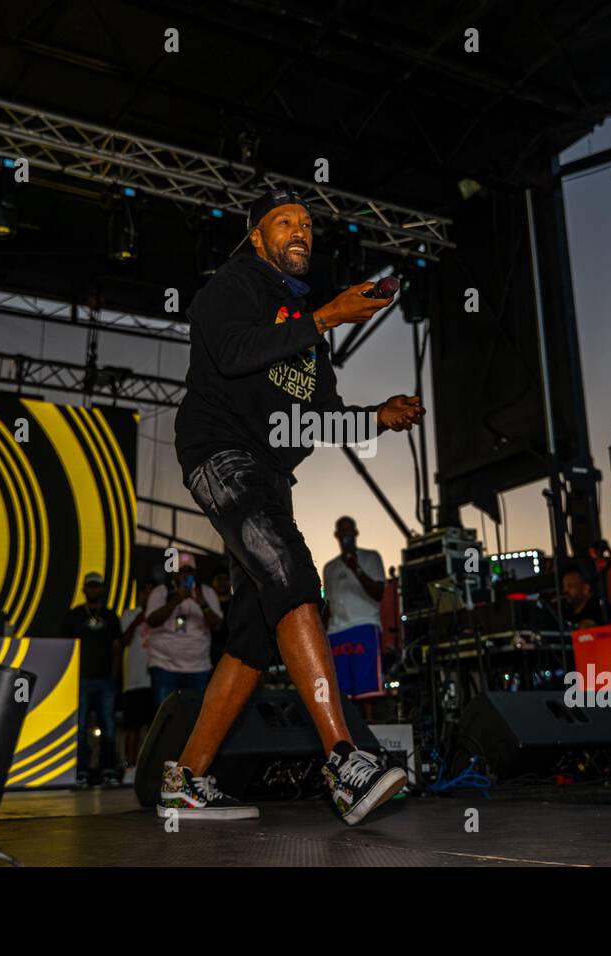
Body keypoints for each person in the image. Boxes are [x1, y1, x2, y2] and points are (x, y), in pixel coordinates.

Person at [165, 186, 423, 824]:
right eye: (285, 222)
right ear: (258, 237)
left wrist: (378, 418)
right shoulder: (232, 286)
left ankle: (186, 779)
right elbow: (231, 354)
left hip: (271, 475)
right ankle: (343, 759)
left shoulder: (311, 332)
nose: (300, 230)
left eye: (307, 222)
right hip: (221, 454)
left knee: (254, 635)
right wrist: (331, 315)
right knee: (292, 573)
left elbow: (321, 422)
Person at [62, 572, 123, 786]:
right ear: (84, 589)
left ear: (102, 589)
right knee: (79, 729)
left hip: (105, 679)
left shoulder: (110, 615)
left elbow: (117, 647)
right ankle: (81, 771)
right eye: (91, 586)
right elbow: (67, 648)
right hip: (81, 680)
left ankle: (108, 770)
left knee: (109, 727)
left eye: (97, 586)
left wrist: (115, 676)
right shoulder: (75, 615)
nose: (94, 589)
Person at [322, 516, 386, 717]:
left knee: (367, 690)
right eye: (343, 532)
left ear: (356, 534)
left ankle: (372, 736)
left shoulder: (371, 557)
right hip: (337, 631)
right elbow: (330, 603)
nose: (347, 536)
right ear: (337, 536)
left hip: (364, 625)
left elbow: (379, 592)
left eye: (350, 532)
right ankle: (349, 736)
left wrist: (355, 568)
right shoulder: (330, 568)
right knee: (342, 692)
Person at [144, 563, 221, 705]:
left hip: (198, 668)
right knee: (166, 717)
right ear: (174, 573)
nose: (185, 575)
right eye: (181, 571)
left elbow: (216, 625)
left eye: (189, 571)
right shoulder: (161, 592)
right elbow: (152, 621)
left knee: (196, 718)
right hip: (164, 666)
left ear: (195, 572)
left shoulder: (206, 592)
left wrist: (202, 603)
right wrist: (176, 599)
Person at [120, 580, 156, 783]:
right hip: (133, 680)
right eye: (145, 592)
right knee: (132, 727)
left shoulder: (162, 616)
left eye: (152, 592)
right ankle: (130, 767)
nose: (148, 596)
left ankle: (150, 767)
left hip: (155, 679)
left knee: (153, 728)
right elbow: (124, 640)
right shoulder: (129, 614)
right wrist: (139, 619)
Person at [561, 565, 611, 629]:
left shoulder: (599, 609)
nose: (564, 590)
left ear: (586, 589)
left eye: (571, 585)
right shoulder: (566, 611)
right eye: (564, 586)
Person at [208, 565, 233, 665]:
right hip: (208, 656)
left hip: (231, 654)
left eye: (226, 579)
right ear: (213, 582)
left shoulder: (237, 604)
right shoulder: (205, 604)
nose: (222, 583)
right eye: (219, 579)